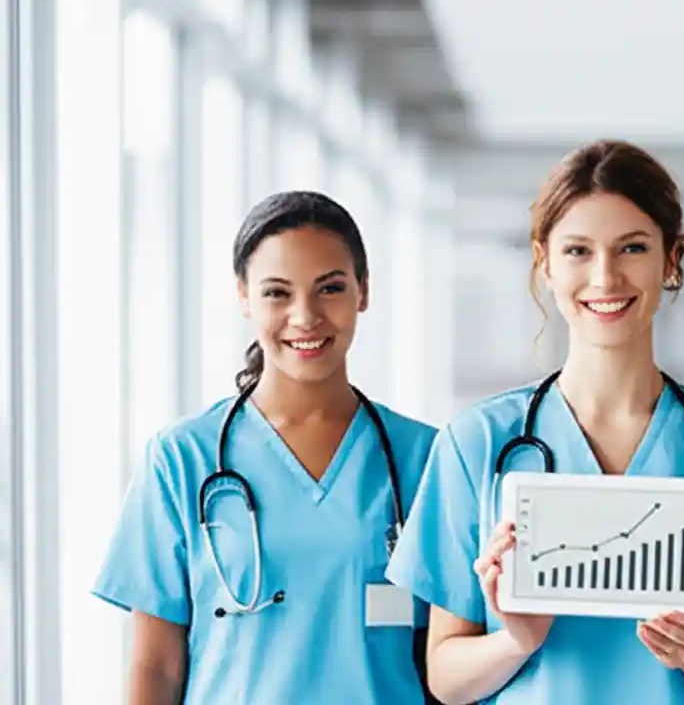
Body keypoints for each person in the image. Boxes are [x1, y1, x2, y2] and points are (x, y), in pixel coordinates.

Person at [386, 139, 684, 704]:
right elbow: (446, 680)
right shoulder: (476, 443)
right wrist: (516, 640)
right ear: (544, 262)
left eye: (632, 248)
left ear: (671, 260)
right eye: (578, 251)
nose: (605, 277)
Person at [92, 191, 439, 704]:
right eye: (278, 292)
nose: (305, 316)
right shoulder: (182, 459)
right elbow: (157, 665)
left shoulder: (424, 458)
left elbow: (449, 658)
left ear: (363, 292)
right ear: (244, 297)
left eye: (331, 288)